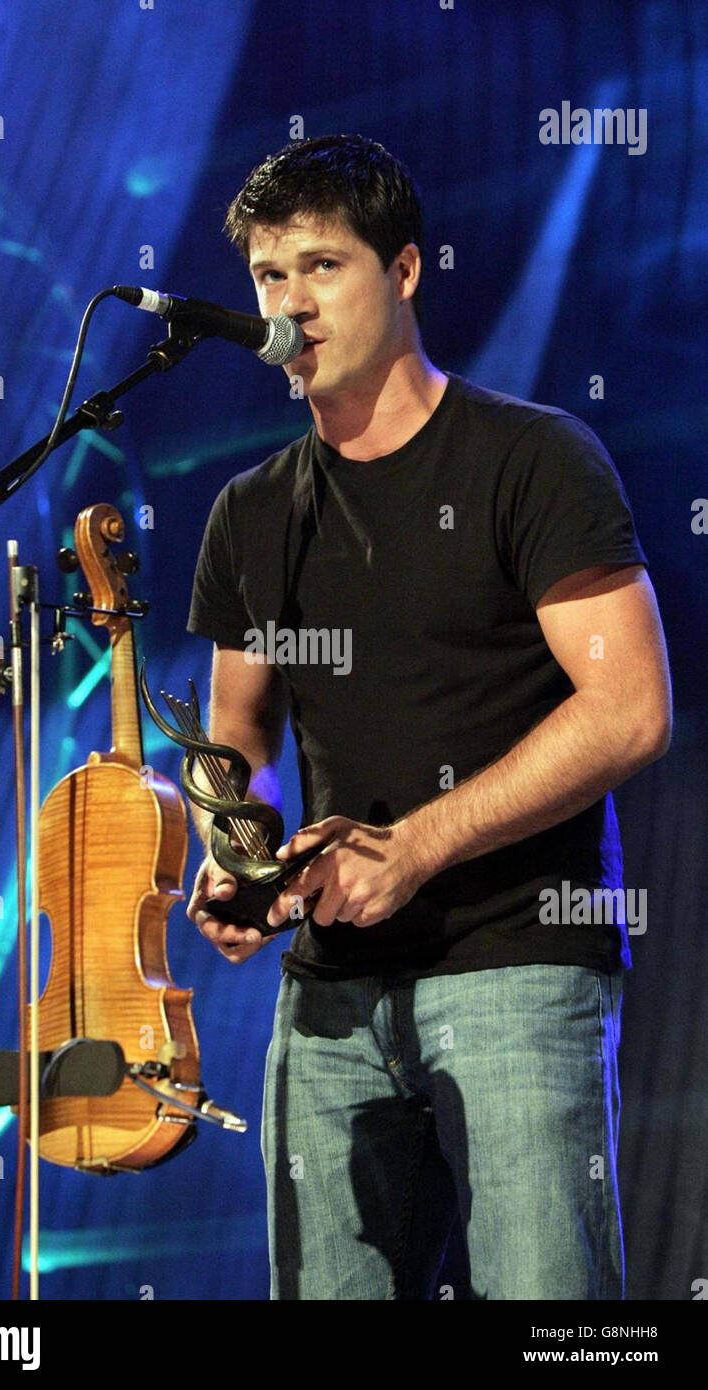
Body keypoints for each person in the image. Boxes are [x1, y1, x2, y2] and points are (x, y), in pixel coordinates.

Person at [184, 134, 672, 1300]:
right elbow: (238, 737)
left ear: (405, 271)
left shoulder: (534, 459)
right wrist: (231, 854)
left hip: (514, 961)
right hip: (330, 990)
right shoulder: (250, 514)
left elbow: (632, 710)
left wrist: (418, 848)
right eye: (266, 276)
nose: (288, 303)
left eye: (321, 266)